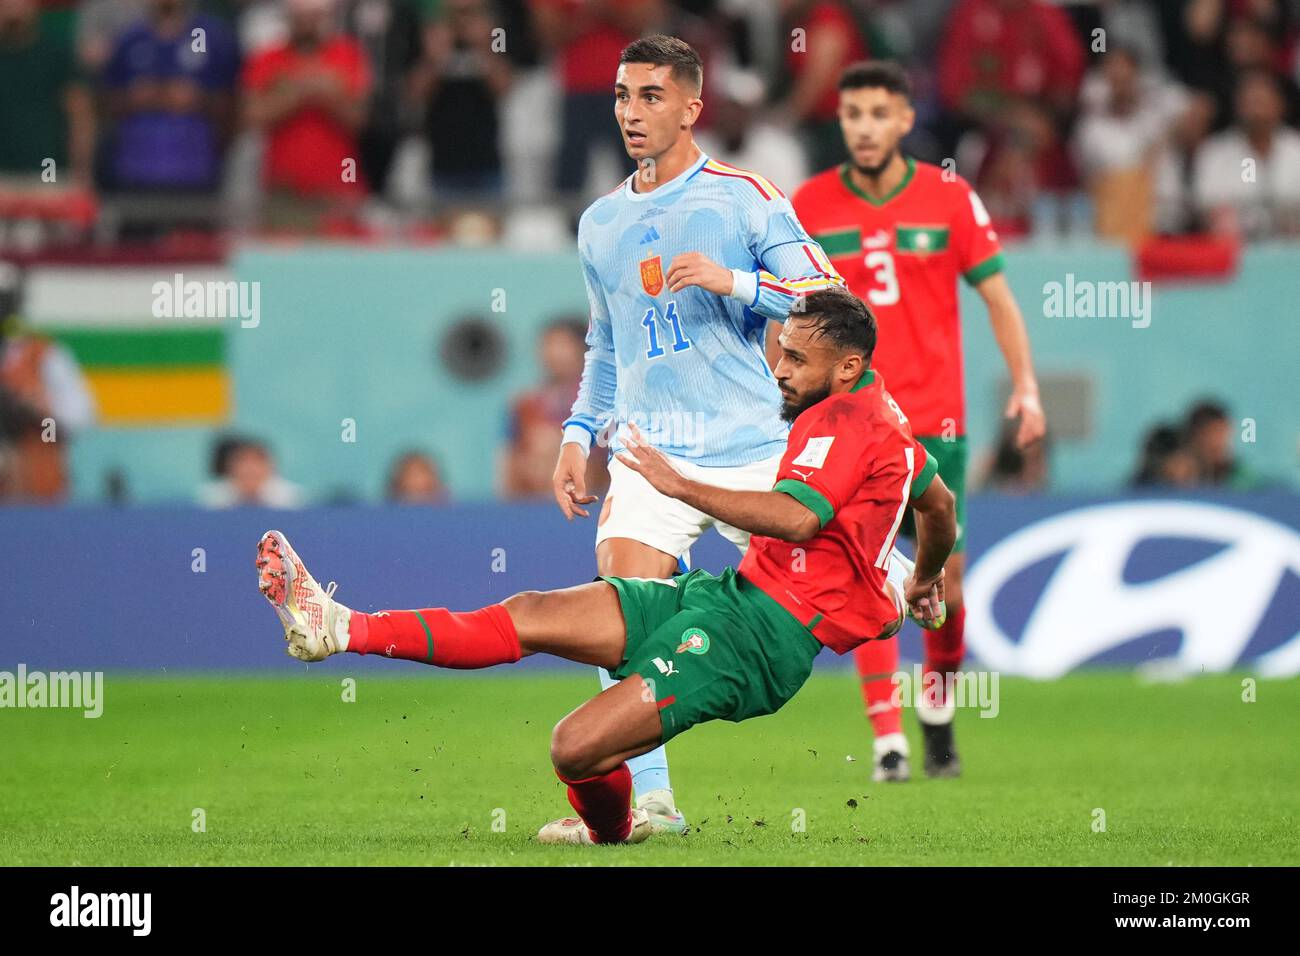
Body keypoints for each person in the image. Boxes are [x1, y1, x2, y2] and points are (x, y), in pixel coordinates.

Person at [255, 286, 957, 845]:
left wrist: (685, 488)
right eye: (780, 351)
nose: (778, 368)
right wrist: (923, 576)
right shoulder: (878, 410)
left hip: (758, 644)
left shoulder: (844, 423)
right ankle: (337, 627)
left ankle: (611, 830)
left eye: (796, 360)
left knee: (573, 748)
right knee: (532, 611)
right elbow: (939, 503)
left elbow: (799, 516)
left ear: (848, 367)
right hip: (728, 595)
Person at [548, 35, 845, 834]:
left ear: (691, 106)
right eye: (620, 95)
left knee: (824, 606)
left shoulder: (744, 197)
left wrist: (735, 281)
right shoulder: (601, 222)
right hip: (647, 453)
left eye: (649, 96)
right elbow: (605, 348)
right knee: (622, 616)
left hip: (750, 447)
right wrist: (578, 434)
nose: (630, 112)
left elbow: (831, 297)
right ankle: (652, 802)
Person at [791, 61, 1046, 782]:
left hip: (938, 422)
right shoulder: (810, 205)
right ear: (840, 122)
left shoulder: (948, 197)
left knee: (944, 589)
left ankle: (936, 708)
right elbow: (788, 315)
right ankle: (888, 744)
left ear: (905, 120)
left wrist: (1026, 386)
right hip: (853, 420)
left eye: (879, 113)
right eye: (852, 115)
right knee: (868, 575)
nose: (864, 127)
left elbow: (997, 297)